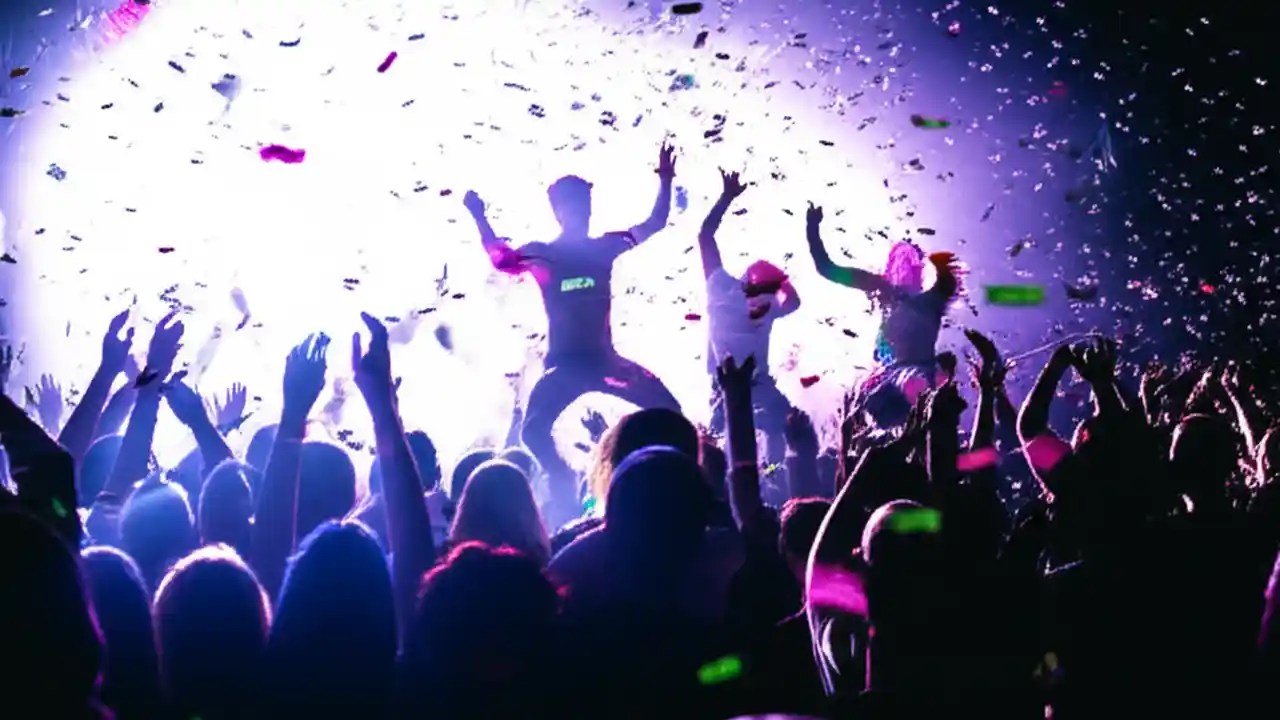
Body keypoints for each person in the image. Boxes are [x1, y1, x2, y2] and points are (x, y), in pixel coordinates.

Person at [463, 142, 683, 520]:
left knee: (671, 413)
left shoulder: (603, 248)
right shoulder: (543, 254)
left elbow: (654, 224)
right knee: (532, 432)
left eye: (587, 205)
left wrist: (665, 179)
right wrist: (479, 216)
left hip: (606, 362)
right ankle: (566, 485)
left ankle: (658, 485)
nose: (584, 212)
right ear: (558, 211)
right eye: (576, 206)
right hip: (563, 367)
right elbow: (501, 259)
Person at [804, 202, 961, 428]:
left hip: (911, 374)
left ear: (918, 273)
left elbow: (947, 286)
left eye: (909, 264)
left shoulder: (924, 302)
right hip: (897, 376)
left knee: (903, 392)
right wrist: (812, 229)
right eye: (900, 263)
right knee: (885, 403)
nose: (903, 270)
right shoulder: (886, 291)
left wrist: (944, 271)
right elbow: (827, 269)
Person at [699, 169, 801, 464]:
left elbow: (705, 236)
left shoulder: (720, 287)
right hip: (756, 384)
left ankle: (723, 473)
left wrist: (726, 197)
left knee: (720, 442)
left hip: (724, 384)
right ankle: (774, 473)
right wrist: (782, 282)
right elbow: (795, 302)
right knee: (787, 427)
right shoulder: (768, 305)